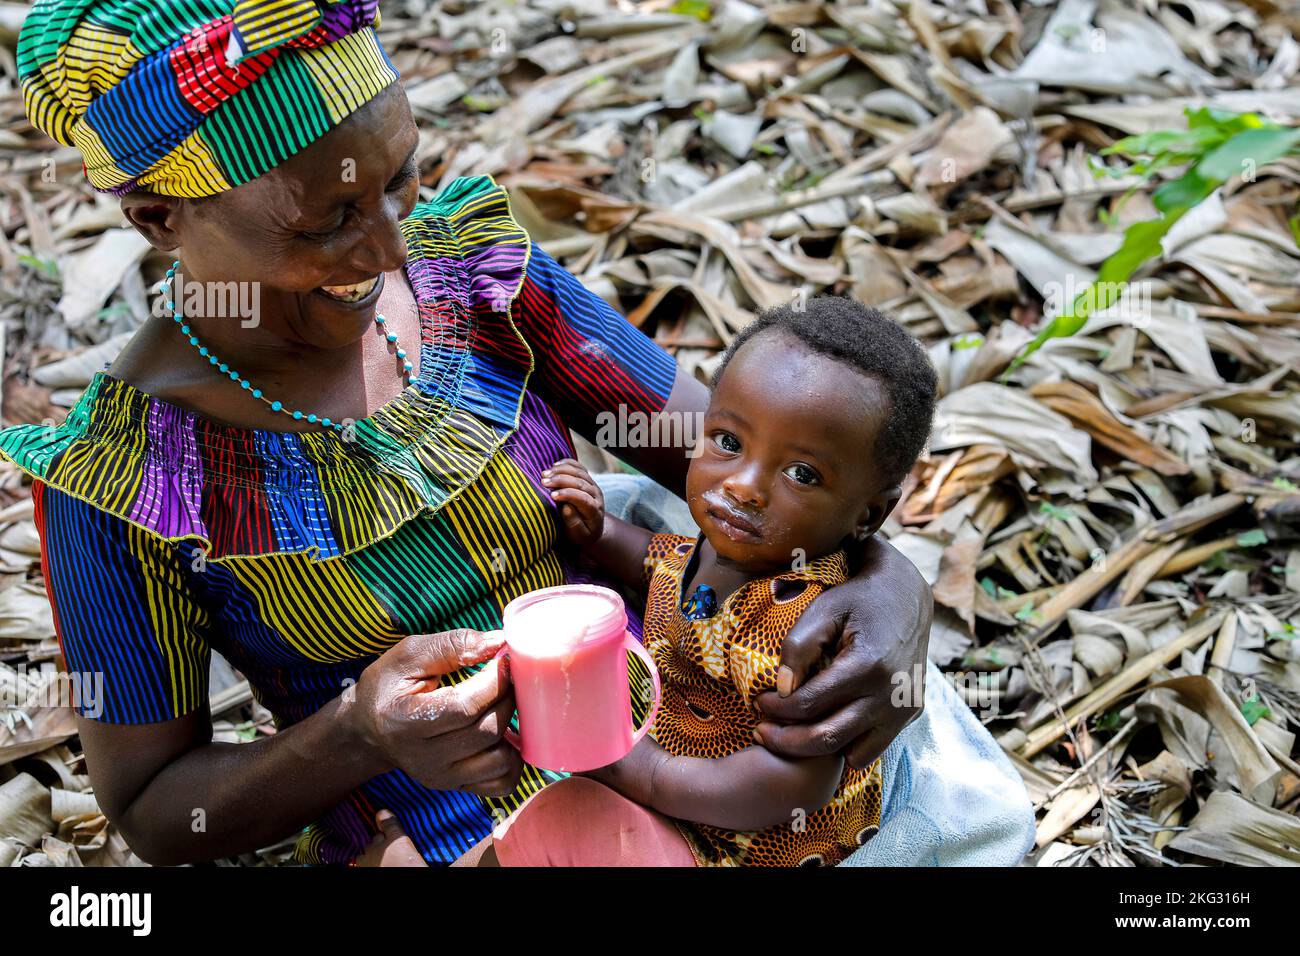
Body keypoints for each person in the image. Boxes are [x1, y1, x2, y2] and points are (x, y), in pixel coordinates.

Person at [0, 0, 943, 867]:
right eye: (328, 220)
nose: (390, 248)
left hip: (703, 758)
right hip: (458, 840)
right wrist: (356, 733)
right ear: (160, 218)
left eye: (400, 178)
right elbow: (161, 812)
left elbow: (766, 463)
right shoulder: (124, 480)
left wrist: (893, 589)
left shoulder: (477, 281)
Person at [479, 297, 940, 866]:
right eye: (728, 441)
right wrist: (597, 534)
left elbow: (798, 781)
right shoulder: (726, 552)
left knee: (557, 825)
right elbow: (659, 563)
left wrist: (651, 773)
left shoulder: (799, 623)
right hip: (685, 802)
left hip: (745, 845)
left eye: (802, 474)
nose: (745, 485)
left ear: (868, 516)